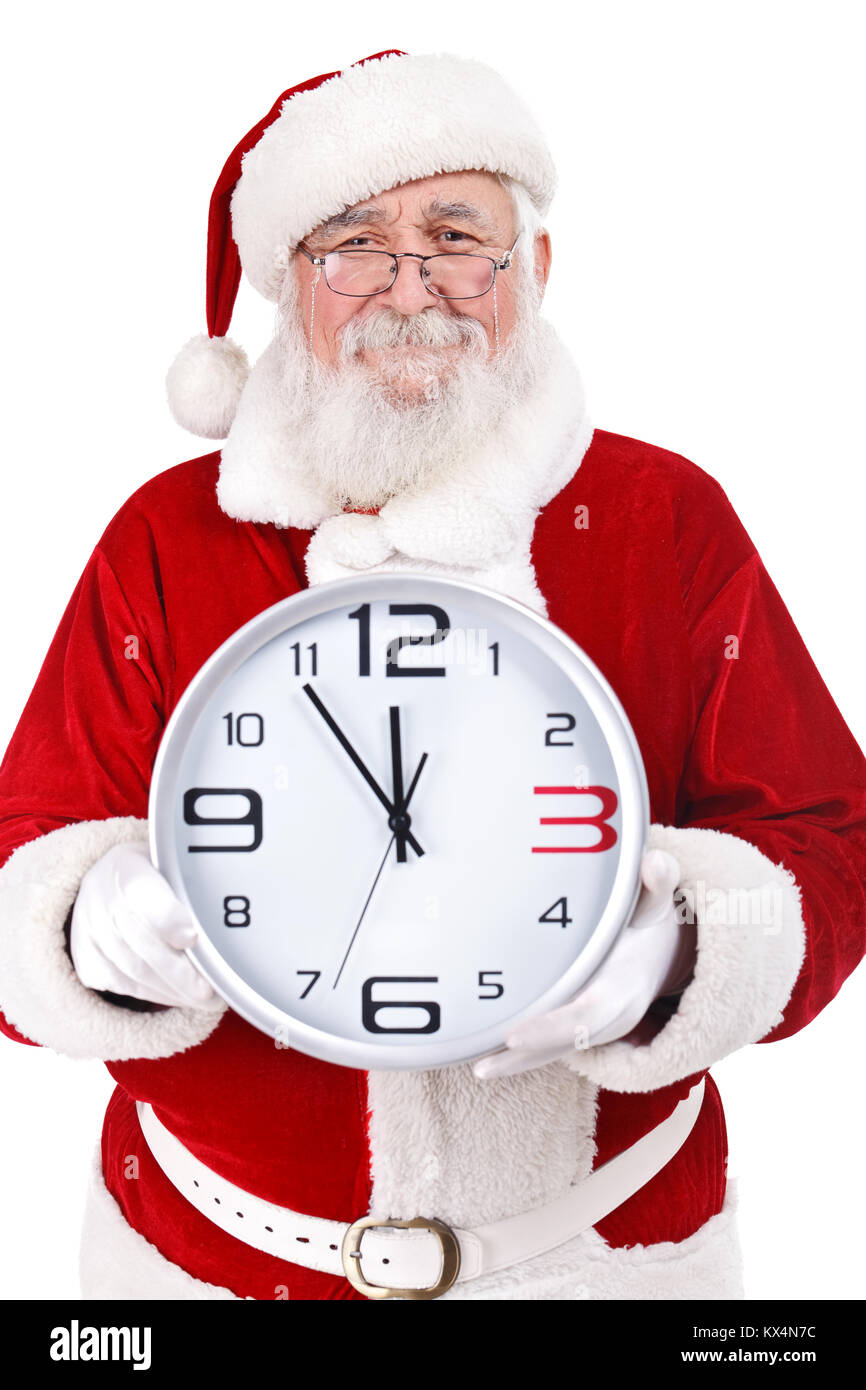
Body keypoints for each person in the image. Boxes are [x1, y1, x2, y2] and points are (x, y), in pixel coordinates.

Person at [0, 48, 863, 1302]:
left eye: (457, 236)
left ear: (536, 274)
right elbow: (20, 862)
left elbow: (823, 842)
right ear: (286, 288)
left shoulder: (661, 518)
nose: (411, 289)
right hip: (202, 1266)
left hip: (604, 1266)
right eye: (351, 243)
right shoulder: (168, 535)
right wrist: (81, 924)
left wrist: (686, 946)